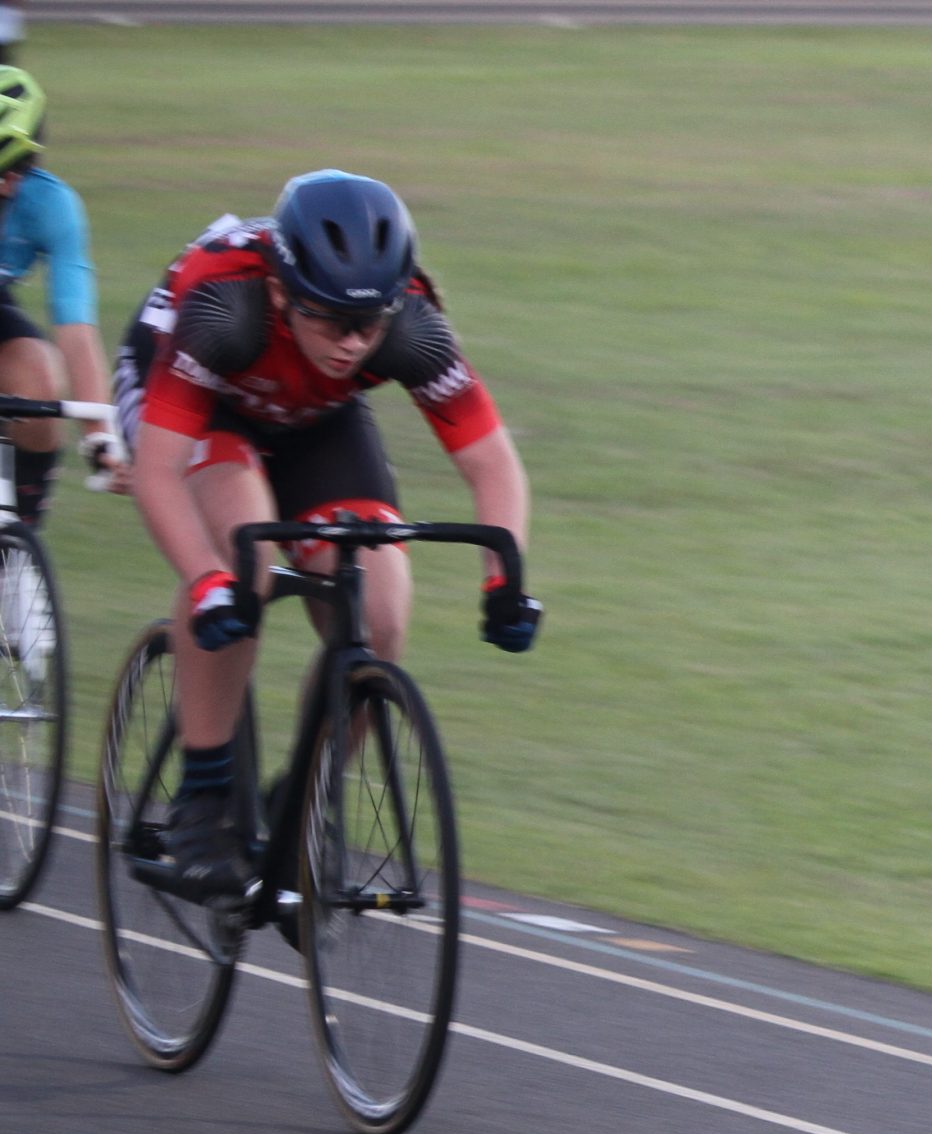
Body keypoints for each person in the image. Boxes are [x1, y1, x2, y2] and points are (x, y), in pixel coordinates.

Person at [120, 169, 542, 898]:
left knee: (381, 617)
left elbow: (494, 466)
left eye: (368, 324)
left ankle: (303, 798)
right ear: (283, 292)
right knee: (241, 557)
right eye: (331, 321)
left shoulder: (410, 325)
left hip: (312, 417)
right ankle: (205, 793)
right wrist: (208, 582)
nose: (353, 344)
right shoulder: (226, 308)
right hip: (196, 399)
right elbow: (158, 474)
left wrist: (504, 580)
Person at [0, 63, 128, 522]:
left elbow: (76, 331)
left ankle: (18, 551)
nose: (6, 186)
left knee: (37, 378)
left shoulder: (52, 207)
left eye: (14, 171)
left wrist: (99, 435)